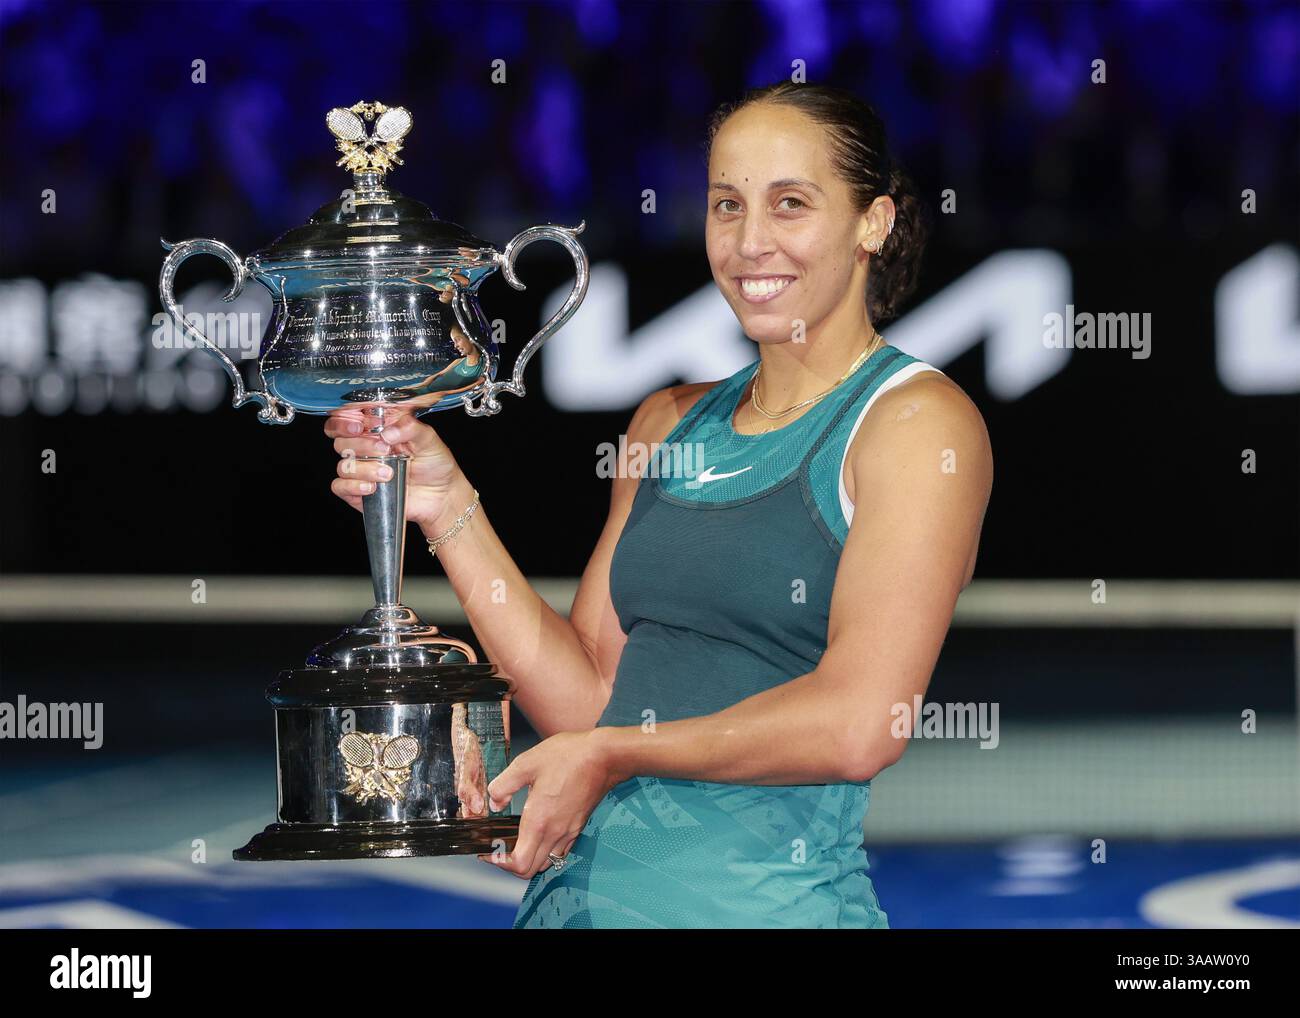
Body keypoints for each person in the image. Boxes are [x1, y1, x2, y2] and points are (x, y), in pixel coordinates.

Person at [323, 81, 992, 928]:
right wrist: (448, 505)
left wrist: (609, 754)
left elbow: (865, 724)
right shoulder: (667, 421)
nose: (751, 243)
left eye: (791, 205)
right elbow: (592, 701)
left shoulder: (915, 422)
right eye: (726, 205)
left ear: (874, 223)